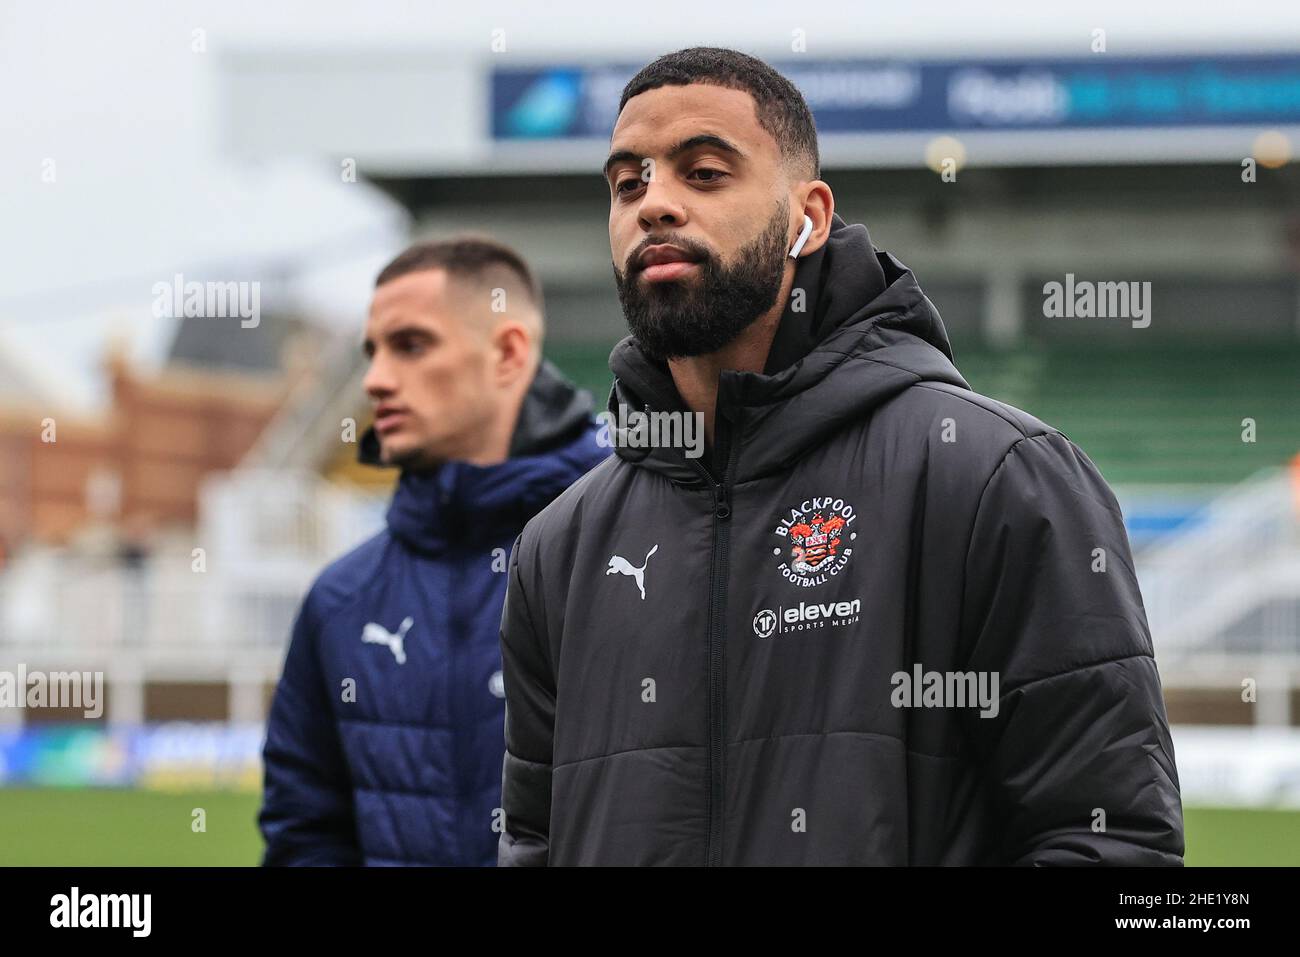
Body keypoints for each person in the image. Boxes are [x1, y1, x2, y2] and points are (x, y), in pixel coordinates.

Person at [497, 47, 1185, 866]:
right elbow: (533, 843)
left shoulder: (996, 476)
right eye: (627, 183)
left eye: (705, 172)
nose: (655, 205)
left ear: (809, 217)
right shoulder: (558, 547)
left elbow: (1109, 838)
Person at [260, 236, 606, 865]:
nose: (376, 380)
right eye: (372, 352)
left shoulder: (628, 550)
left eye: (411, 346)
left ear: (508, 353)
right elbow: (304, 836)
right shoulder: (339, 599)